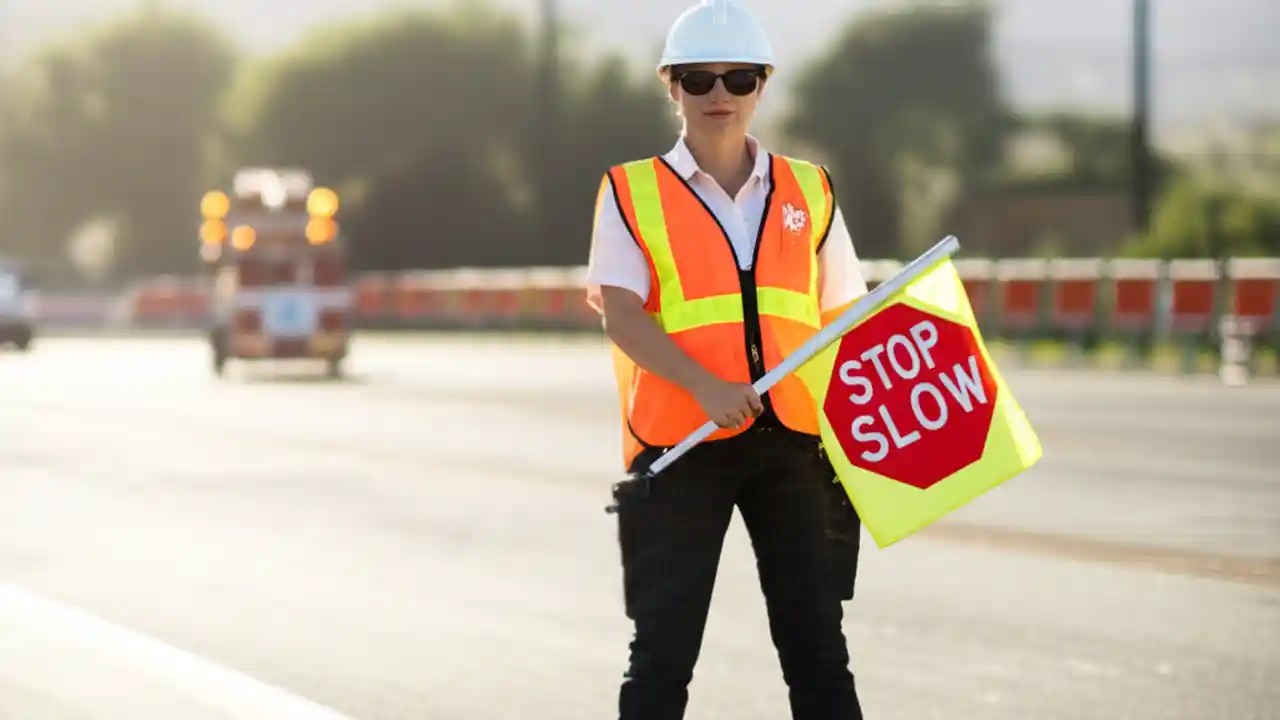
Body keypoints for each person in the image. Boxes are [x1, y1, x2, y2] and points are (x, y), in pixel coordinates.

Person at [585, 1, 869, 717]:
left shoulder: (811, 189)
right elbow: (622, 313)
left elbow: (846, 314)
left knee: (819, 654)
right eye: (699, 78)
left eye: (739, 78)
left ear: (763, 84)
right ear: (670, 85)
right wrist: (706, 387)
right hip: (682, 446)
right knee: (661, 658)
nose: (720, 94)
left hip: (796, 448)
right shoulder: (630, 191)